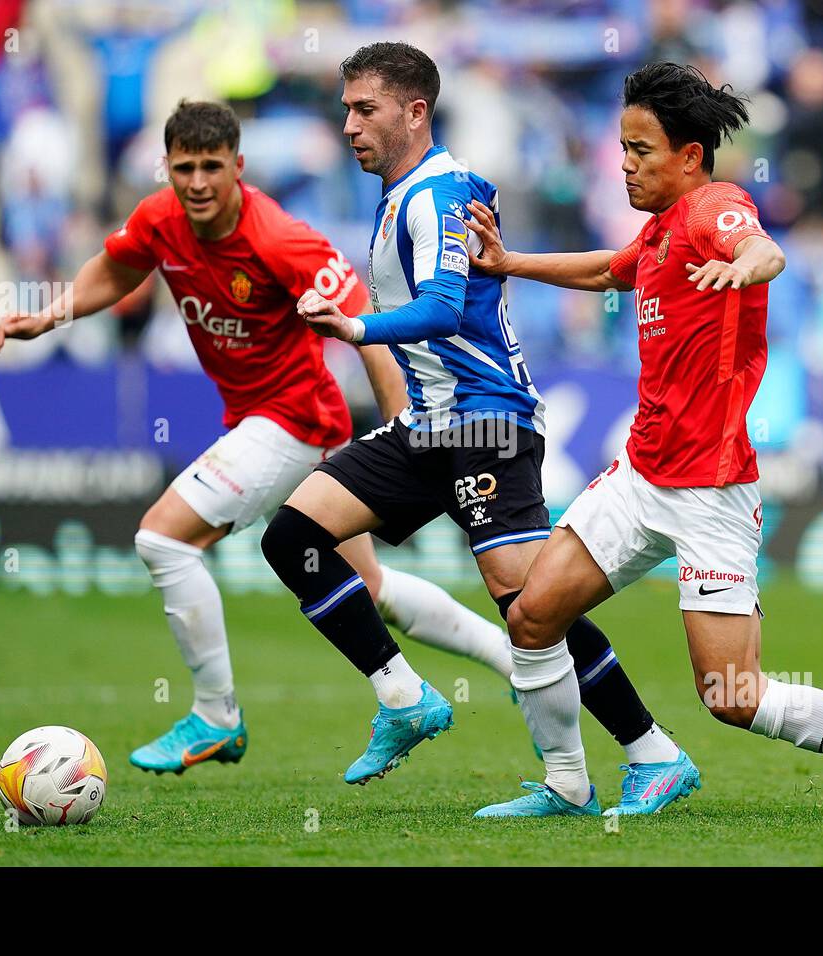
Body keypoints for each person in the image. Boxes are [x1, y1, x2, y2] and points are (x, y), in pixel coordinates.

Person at [465, 63, 823, 819]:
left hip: (710, 489)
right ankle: (568, 785)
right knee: (534, 616)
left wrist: (745, 266)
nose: (625, 162)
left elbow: (767, 250)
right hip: (642, 475)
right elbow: (613, 272)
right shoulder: (662, 231)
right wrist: (510, 264)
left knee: (732, 697)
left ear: (690, 158)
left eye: (641, 149)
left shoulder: (716, 207)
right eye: (622, 146)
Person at [0, 99, 516, 776]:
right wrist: (53, 313)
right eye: (185, 168)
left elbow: (370, 330)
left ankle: (216, 715)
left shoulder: (280, 238)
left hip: (295, 419)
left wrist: (398, 434)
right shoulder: (158, 220)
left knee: (162, 539)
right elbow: (119, 267)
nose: (199, 182)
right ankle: (513, 663)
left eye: (213, 167)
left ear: (239, 166)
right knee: (371, 587)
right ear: (168, 170)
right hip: (266, 420)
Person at [261, 43, 693, 813]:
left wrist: (354, 329)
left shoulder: (439, 193)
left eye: (366, 109)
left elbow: (441, 308)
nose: (349, 125)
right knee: (292, 537)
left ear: (414, 111)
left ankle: (645, 755)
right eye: (346, 109)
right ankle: (403, 699)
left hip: (487, 422)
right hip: (428, 426)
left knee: (533, 607)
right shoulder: (401, 195)